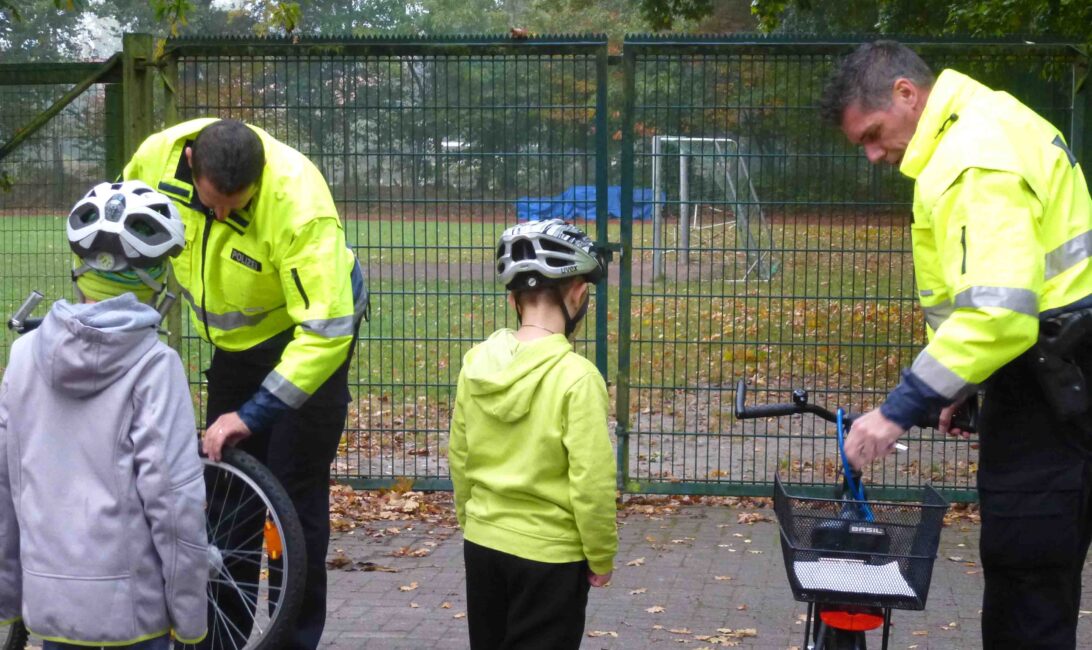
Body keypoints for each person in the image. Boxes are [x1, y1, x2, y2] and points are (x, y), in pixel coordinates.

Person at [823, 41, 1092, 647]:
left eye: (871, 134)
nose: (871, 155)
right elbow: (980, 296)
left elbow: (998, 312)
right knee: (1029, 573)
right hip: (1049, 376)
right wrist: (963, 379)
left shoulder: (975, 153)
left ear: (904, 94)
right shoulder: (978, 129)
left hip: (1051, 388)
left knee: (1028, 587)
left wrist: (898, 409)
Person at [122, 118, 367, 650]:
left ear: (261, 178)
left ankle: (290, 641)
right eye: (213, 204)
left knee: (293, 496)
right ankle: (219, 640)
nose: (223, 214)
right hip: (236, 346)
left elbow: (325, 332)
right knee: (226, 492)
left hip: (308, 340)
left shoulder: (299, 204)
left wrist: (253, 414)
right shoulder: (156, 158)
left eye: (238, 205)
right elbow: (126, 241)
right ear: (191, 166)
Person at [0, 181, 207, 648]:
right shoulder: (155, 365)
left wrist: (9, 596)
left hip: (49, 605)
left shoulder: (24, 355)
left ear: (82, 270)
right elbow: (174, 502)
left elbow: (5, 485)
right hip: (133, 612)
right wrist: (191, 617)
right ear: (155, 278)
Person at [448, 219, 618, 650]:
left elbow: (460, 457)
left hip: (483, 544)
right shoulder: (577, 378)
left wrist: (474, 521)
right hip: (550, 557)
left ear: (513, 298)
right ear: (578, 294)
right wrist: (601, 555)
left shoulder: (475, 365)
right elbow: (591, 481)